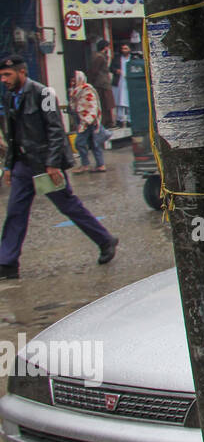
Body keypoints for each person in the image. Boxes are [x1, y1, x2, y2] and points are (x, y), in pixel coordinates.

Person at [1, 54, 118, 280]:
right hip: (22, 165)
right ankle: (7, 262)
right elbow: (12, 135)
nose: (3, 79)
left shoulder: (43, 93)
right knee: (15, 212)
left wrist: (52, 163)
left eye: (7, 74)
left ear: (22, 72)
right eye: (1, 75)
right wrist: (8, 166)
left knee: (68, 206)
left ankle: (105, 240)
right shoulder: (9, 96)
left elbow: (55, 129)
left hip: (44, 164)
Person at [68, 71, 107, 173]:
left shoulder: (87, 90)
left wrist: (88, 119)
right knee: (94, 143)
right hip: (83, 121)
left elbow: (92, 105)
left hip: (88, 121)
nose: (72, 82)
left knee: (79, 143)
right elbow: (75, 105)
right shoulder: (76, 91)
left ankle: (85, 165)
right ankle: (100, 164)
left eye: (74, 80)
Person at [87, 39, 115, 129]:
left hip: (103, 82)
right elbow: (94, 71)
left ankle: (108, 122)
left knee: (107, 103)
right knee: (104, 103)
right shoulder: (99, 57)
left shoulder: (101, 56)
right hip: (101, 83)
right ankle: (106, 122)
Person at [112, 43, 131, 127]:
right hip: (120, 82)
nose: (124, 50)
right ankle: (120, 119)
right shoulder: (117, 58)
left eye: (126, 48)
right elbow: (111, 68)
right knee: (120, 101)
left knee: (129, 101)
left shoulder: (133, 58)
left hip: (130, 82)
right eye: (123, 49)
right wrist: (117, 71)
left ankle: (130, 120)